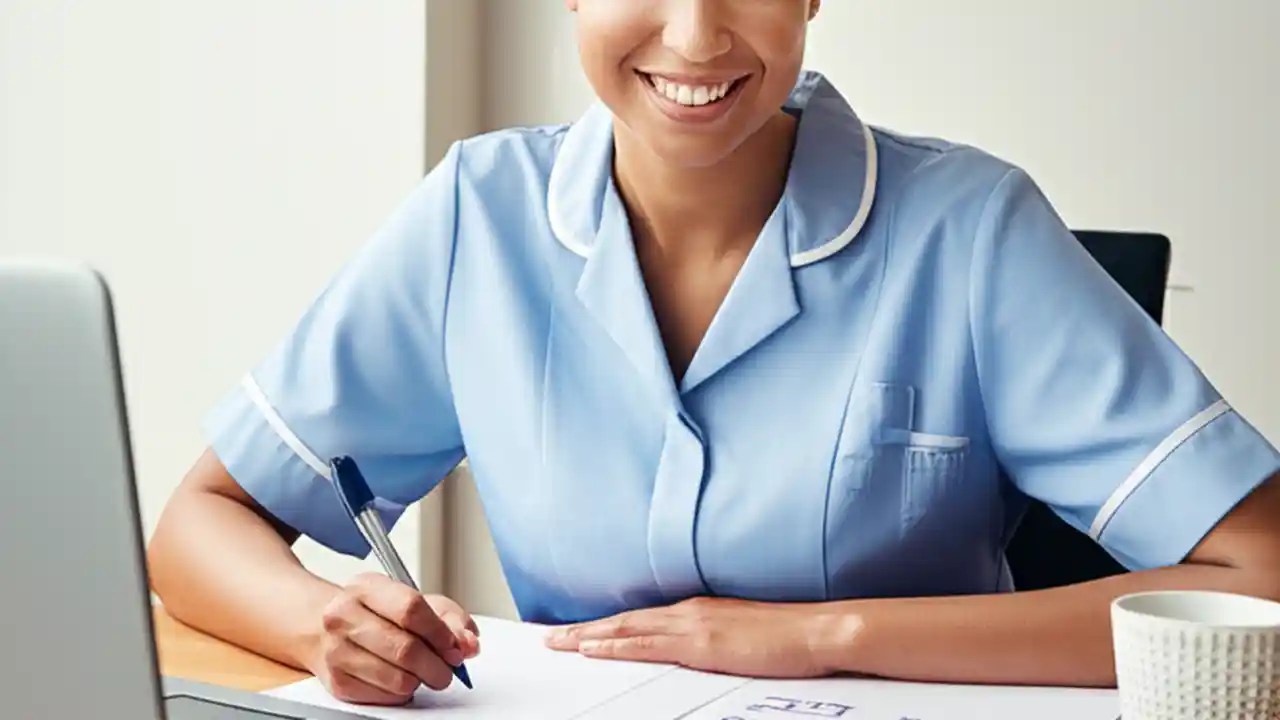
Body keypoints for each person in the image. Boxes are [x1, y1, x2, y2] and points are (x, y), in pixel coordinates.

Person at [148, 0, 1280, 707]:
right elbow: (201, 521)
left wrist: (823, 638)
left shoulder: (969, 230)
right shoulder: (474, 216)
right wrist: (325, 625)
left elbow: (1261, 578)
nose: (693, 35)